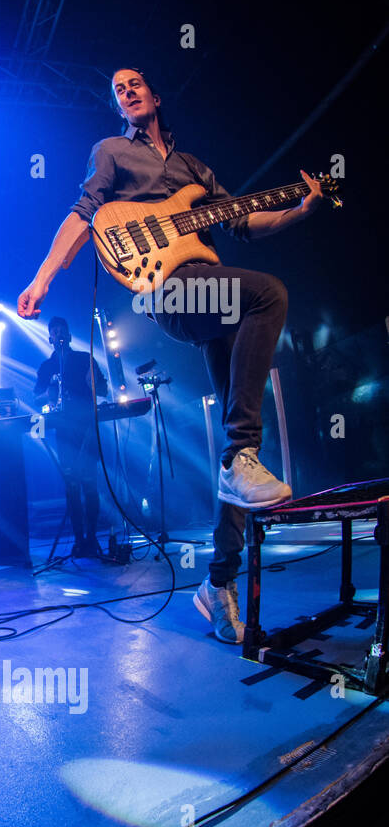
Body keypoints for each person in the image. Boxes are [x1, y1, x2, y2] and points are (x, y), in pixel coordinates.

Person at [17, 67, 325, 644]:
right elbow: (83, 216)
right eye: (116, 89)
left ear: (157, 96)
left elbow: (242, 223)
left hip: (217, 294)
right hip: (170, 288)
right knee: (271, 294)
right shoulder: (111, 151)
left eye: (135, 83)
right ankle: (238, 463)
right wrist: (43, 279)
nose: (126, 90)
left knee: (245, 441)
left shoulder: (195, 170)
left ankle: (218, 581)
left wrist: (300, 209)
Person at [32, 317, 108, 558]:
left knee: (90, 483)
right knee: (72, 486)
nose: (58, 335)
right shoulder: (46, 367)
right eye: (54, 332)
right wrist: (47, 394)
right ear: (49, 338)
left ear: (69, 335)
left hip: (86, 427)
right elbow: (35, 398)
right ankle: (79, 541)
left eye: (61, 331)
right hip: (64, 432)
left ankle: (92, 537)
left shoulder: (85, 359)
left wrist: (93, 384)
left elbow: (104, 390)